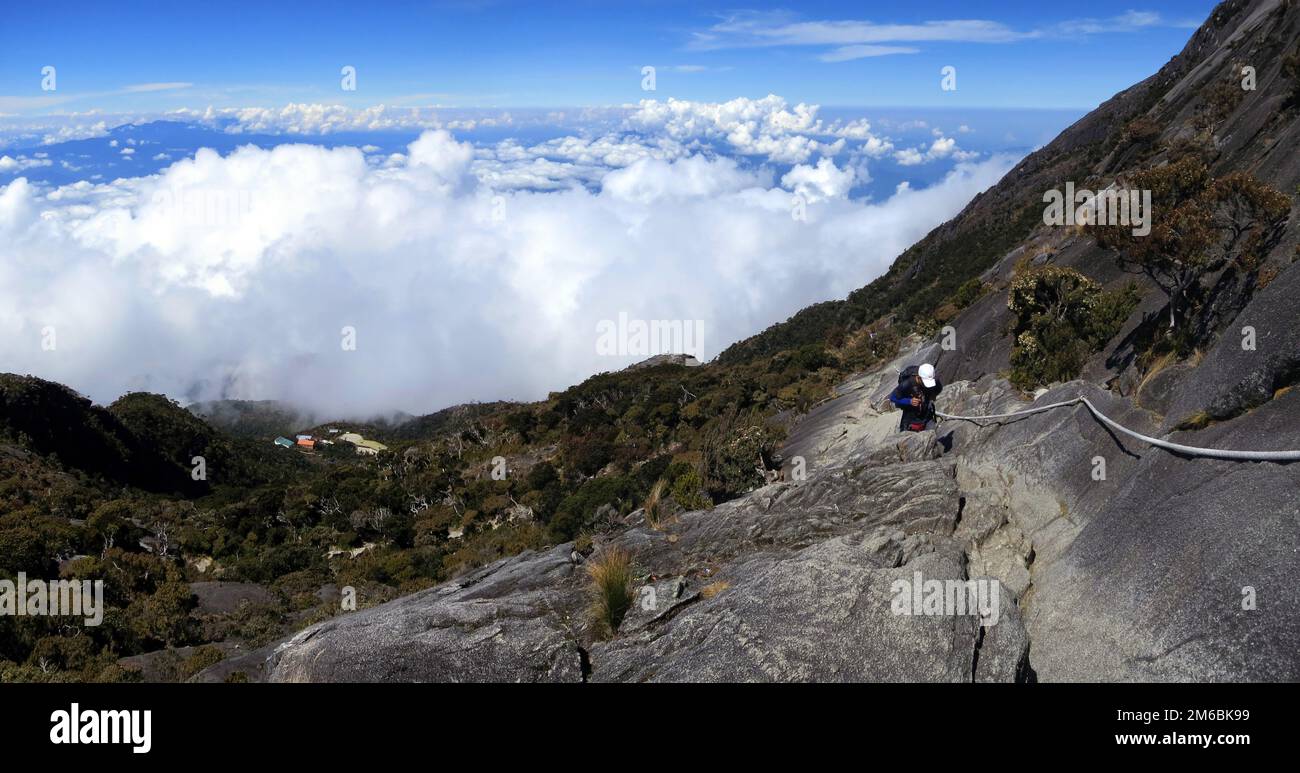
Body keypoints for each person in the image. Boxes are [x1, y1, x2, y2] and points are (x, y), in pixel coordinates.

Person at [888, 363, 943, 432]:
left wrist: (933, 395)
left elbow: (939, 388)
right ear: (918, 378)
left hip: (926, 413)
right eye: (925, 382)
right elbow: (893, 397)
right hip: (910, 416)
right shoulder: (907, 383)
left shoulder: (933, 379)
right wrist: (909, 401)